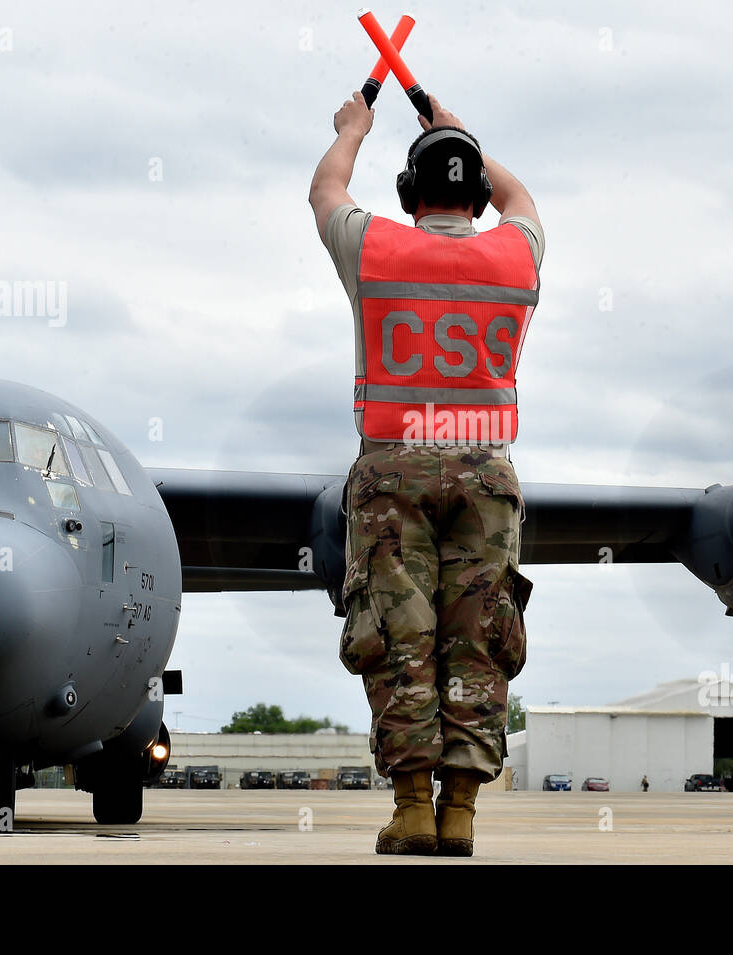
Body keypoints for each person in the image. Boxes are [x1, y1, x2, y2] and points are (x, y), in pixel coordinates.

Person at [310, 90, 544, 856]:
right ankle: (462, 812)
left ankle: (412, 808)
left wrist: (354, 131)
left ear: (408, 195)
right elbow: (521, 199)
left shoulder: (372, 247)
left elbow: (326, 190)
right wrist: (453, 131)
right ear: (478, 194)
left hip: (391, 467)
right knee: (481, 635)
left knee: (397, 632)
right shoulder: (518, 253)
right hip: (486, 472)